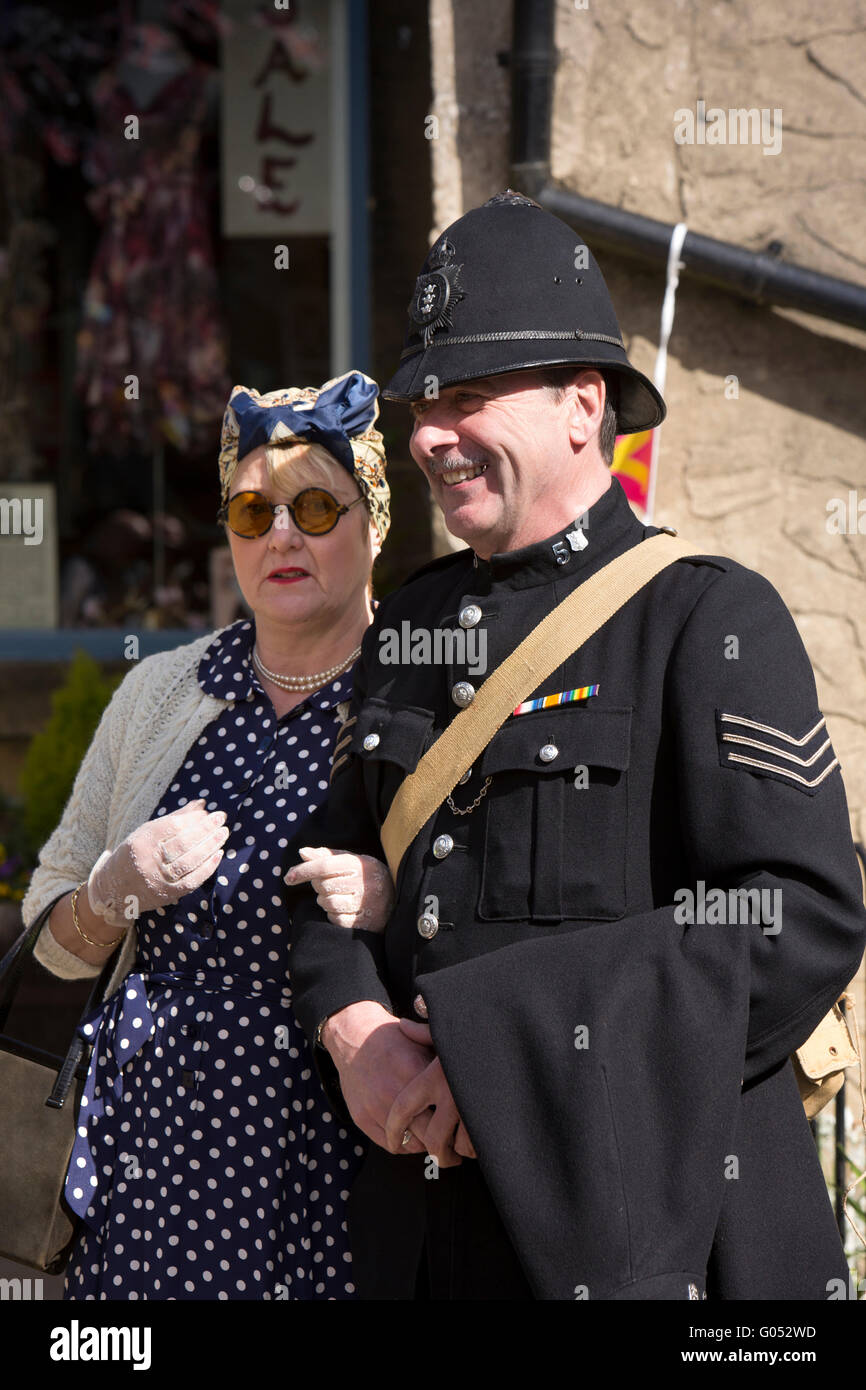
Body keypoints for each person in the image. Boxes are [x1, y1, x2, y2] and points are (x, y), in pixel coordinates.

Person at [288, 192, 866, 1300]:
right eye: (419, 404)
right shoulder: (407, 621)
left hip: (641, 1233)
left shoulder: (706, 618)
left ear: (579, 404)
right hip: (423, 1238)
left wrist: (506, 1065)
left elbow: (798, 916)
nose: (426, 435)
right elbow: (321, 881)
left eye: (466, 397)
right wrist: (355, 1027)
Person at [20, 369, 395, 1300]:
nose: (280, 535)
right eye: (250, 512)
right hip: (147, 1164)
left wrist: (398, 897)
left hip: (336, 1161)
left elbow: (490, 913)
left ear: (372, 521)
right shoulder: (160, 693)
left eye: (315, 506)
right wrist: (112, 890)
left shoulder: (414, 693)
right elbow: (46, 934)